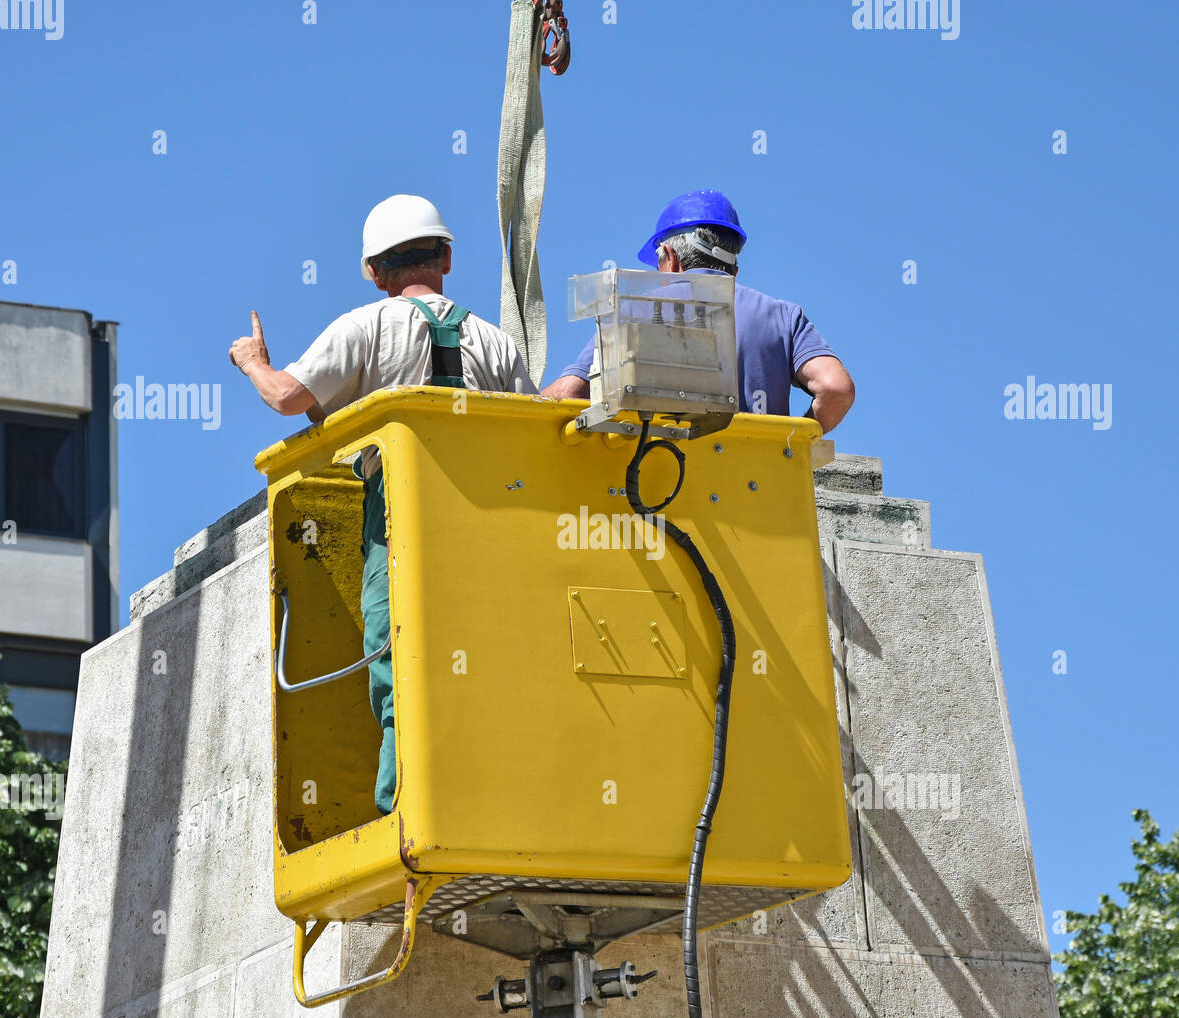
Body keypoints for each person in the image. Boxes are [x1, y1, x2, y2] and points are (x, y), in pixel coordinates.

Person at [229, 194, 536, 815]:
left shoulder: (365, 327)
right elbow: (532, 432)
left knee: (397, 655)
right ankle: (493, 805)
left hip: (397, 523)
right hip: (488, 527)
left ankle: (405, 808)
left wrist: (254, 363)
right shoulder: (497, 344)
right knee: (484, 662)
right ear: (446, 256)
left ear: (374, 272)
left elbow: (288, 397)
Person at [544, 190, 855, 432]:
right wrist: (796, 443)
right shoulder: (783, 316)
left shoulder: (633, 310)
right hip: (760, 495)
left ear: (669, 256)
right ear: (734, 267)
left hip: (660, 491)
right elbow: (836, 389)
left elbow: (569, 394)